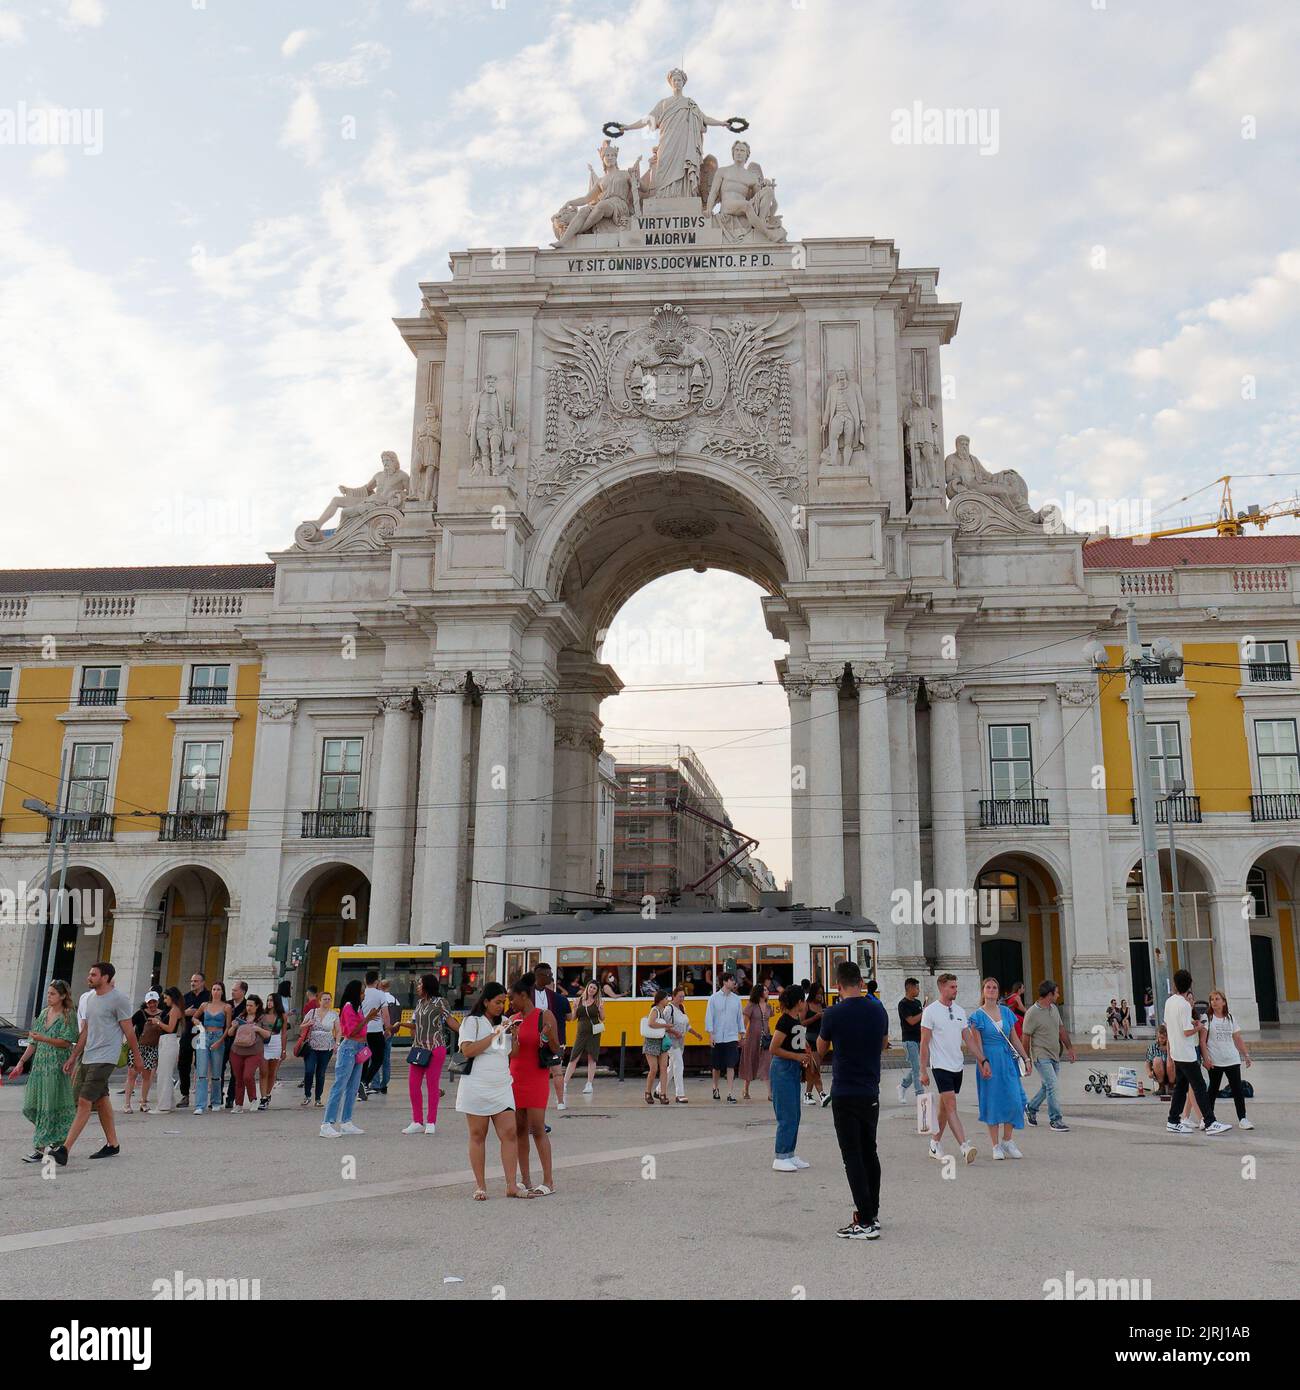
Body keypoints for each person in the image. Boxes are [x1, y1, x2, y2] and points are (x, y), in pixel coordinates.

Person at [817, 960, 889, 1239]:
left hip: (845, 1091)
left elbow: (821, 1048)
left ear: (838, 985)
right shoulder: (878, 1010)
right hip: (871, 1090)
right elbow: (883, 1043)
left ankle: (865, 1221)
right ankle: (874, 1211)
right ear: (861, 982)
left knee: (852, 1156)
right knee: (870, 1151)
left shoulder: (833, 1014)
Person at [50, 961, 145, 1166]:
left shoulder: (119, 999)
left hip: (106, 1057)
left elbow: (129, 1031)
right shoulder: (90, 999)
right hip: (88, 1056)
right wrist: (74, 1056)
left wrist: (137, 1058)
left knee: (84, 1101)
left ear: (106, 977)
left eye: (94, 974)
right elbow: (85, 1031)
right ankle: (112, 1144)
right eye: (89, 973)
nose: (89, 977)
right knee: (100, 1100)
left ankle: (64, 1149)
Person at [455, 983, 527, 1200]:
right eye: (497, 1002)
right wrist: (494, 1035)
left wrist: (513, 1035)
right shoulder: (471, 1021)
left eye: (503, 1002)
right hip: (477, 1084)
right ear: (485, 1001)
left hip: (501, 1084)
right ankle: (480, 1185)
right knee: (478, 1135)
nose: (501, 1006)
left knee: (509, 1133)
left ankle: (511, 1185)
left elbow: (512, 1053)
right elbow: (467, 1050)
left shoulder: (504, 1022)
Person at [966, 977, 1032, 1160]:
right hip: (989, 1060)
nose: (992, 990)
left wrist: (1026, 1058)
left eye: (995, 987)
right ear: (983, 991)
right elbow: (977, 1045)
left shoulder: (1006, 1012)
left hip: (1006, 1060)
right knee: (993, 1101)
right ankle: (995, 1145)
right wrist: (983, 1063)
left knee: (1015, 1099)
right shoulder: (977, 1016)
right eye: (988, 987)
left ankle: (1007, 1140)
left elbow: (1014, 1039)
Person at [12, 980, 78, 1162]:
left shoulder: (68, 1015)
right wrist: (21, 1062)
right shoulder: (43, 1014)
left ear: (63, 996)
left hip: (56, 1066)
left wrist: (44, 1038)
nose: (49, 997)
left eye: (53, 994)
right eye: (48, 993)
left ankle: (41, 1147)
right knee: (32, 1106)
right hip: (40, 1066)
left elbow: (67, 1041)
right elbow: (33, 1041)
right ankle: (51, 1140)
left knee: (49, 1106)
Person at [507, 974, 560, 1194]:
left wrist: (546, 1037)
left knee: (537, 1127)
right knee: (519, 1128)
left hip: (536, 1076)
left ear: (524, 996)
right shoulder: (513, 1019)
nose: (510, 1003)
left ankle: (548, 1181)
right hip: (515, 1077)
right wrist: (512, 1036)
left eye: (513, 998)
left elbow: (556, 1049)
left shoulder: (544, 1015)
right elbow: (510, 1053)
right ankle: (525, 1178)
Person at [1164, 969, 1231, 1136]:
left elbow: (1172, 1023)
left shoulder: (1170, 1002)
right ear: (1189, 985)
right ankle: (1210, 1122)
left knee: (1181, 1086)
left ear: (1174, 985)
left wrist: (1191, 1021)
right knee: (1199, 1086)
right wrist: (1199, 1026)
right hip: (1186, 1053)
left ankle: (1173, 1121)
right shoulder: (1185, 1005)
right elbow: (1187, 1031)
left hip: (1176, 1052)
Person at [920, 973, 977, 1164]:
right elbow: (924, 1043)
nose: (955, 990)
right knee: (951, 1104)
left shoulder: (960, 1011)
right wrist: (922, 1070)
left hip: (957, 1065)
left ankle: (934, 1144)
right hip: (940, 1066)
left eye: (956, 986)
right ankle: (964, 1146)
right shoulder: (930, 1012)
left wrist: (982, 1059)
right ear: (942, 988)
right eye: (952, 987)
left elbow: (968, 1038)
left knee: (944, 1108)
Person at [321, 980, 381, 1137]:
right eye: (361, 992)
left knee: (353, 1088)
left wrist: (367, 1018)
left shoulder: (357, 1008)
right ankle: (327, 1123)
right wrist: (368, 1019)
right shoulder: (348, 1007)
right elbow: (352, 1031)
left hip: (359, 1048)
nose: (363, 996)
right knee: (339, 1086)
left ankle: (346, 1121)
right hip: (349, 1048)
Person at [404, 973, 458, 1134]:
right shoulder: (419, 1003)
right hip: (419, 1049)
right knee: (413, 1085)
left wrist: (466, 1033)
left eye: (420, 984)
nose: (418, 987)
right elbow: (414, 1026)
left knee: (432, 1085)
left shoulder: (440, 1002)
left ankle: (431, 1121)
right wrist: (401, 1025)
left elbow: (451, 1021)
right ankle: (417, 1120)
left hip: (435, 1047)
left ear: (427, 985)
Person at [1022, 979, 1076, 1132]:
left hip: (1054, 1054)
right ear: (1049, 994)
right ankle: (1055, 1120)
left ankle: (1031, 1108)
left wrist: (1070, 1048)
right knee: (1053, 1085)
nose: (1058, 995)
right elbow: (1025, 1037)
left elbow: (1061, 1030)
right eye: (1056, 992)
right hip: (1041, 1055)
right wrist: (1026, 1059)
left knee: (1047, 1087)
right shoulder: (1032, 1013)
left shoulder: (1053, 1009)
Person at [770, 985, 812, 1172]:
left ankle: (789, 1153)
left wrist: (804, 1051)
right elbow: (774, 1048)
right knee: (786, 1115)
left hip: (793, 1069)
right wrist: (797, 1057)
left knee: (794, 1114)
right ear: (798, 1002)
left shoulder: (795, 1020)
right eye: (803, 1000)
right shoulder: (784, 1021)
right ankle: (780, 1156)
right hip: (782, 1068)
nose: (805, 1003)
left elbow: (795, 1043)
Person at [1205, 991, 1254, 1129]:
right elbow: (1203, 1040)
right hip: (1215, 1060)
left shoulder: (1230, 1018)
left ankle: (1243, 1118)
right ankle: (1207, 1118)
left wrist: (1246, 1055)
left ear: (1224, 1002)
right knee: (1213, 1090)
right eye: (1212, 999)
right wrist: (1206, 1058)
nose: (1214, 1002)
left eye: (1217, 999)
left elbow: (1237, 1038)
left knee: (1237, 1089)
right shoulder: (1207, 1018)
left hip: (1232, 1059)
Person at [533, 963, 570, 1110]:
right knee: (557, 1072)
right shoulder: (561, 999)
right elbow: (569, 1017)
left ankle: (536, 1101)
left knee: (537, 1073)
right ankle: (560, 1101)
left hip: (536, 1040)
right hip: (558, 1040)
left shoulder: (531, 997)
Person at [705, 971, 746, 1103]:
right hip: (717, 1036)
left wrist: (742, 1033)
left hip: (731, 1036)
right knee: (716, 1066)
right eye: (731, 980)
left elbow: (740, 1018)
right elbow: (709, 1017)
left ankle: (730, 1092)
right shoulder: (713, 998)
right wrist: (711, 1034)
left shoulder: (736, 999)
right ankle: (715, 1087)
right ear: (724, 982)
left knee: (731, 1065)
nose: (734, 982)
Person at [562, 981, 605, 1099]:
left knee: (592, 1058)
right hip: (581, 1033)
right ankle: (564, 1084)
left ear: (597, 991)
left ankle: (589, 1084)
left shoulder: (597, 1002)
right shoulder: (579, 1000)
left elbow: (602, 1018)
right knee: (574, 1057)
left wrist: (601, 1009)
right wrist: (574, 1008)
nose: (592, 989)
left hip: (594, 1033)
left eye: (594, 988)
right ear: (587, 988)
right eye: (591, 987)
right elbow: (573, 1018)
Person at [226, 995, 268, 1113]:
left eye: (251, 1005)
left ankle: (253, 1099)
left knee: (248, 1076)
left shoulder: (262, 1018)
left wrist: (258, 1029)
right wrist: (233, 1027)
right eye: (247, 1005)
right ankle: (238, 1104)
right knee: (238, 1078)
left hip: (254, 1051)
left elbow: (268, 1034)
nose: (248, 1007)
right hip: (237, 1050)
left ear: (257, 1006)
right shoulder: (241, 1016)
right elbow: (229, 1033)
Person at [193, 982, 231, 1114]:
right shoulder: (205, 1005)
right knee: (201, 1072)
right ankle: (200, 1105)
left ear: (222, 992)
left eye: (218, 989)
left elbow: (228, 1027)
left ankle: (215, 1101)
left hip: (218, 1036)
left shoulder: (226, 1007)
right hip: (204, 1035)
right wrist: (197, 1023)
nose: (215, 991)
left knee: (216, 1072)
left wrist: (221, 1041)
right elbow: (194, 1017)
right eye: (214, 989)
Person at [298, 989, 338, 1108]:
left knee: (321, 1073)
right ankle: (307, 1095)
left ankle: (318, 1098)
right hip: (311, 1046)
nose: (327, 1001)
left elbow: (338, 1029)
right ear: (319, 1001)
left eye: (329, 999)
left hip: (327, 1047)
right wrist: (308, 1024)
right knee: (309, 1070)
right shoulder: (312, 1012)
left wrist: (337, 1043)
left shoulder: (334, 1014)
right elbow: (301, 1026)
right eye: (324, 999)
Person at [663, 984, 702, 1103]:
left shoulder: (682, 1008)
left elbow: (687, 1025)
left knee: (671, 1068)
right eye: (680, 996)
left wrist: (696, 1034)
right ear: (673, 996)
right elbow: (664, 1025)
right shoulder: (669, 1009)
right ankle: (679, 1094)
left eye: (683, 996)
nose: (682, 999)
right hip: (671, 1041)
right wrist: (675, 1032)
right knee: (679, 1066)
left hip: (680, 1042)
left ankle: (659, 1090)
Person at [178, 971, 210, 1108]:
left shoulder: (208, 997)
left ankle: (200, 1095)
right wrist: (185, 1013)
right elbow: (176, 1015)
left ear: (203, 983)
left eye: (196, 981)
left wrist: (197, 1012)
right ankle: (185, 1095)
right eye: (192, 981)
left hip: (202, 1033)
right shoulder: (185, 998)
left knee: (200, 1064)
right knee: (183, 1064)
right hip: (187, 1033)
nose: (193, 983)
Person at [153, 987, 185, 1114]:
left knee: (164, 1075)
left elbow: (171, 1028)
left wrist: (158, 1023)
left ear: (172, 997)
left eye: (166, 997)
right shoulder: (172, 1010)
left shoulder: (175, 1010)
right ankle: (169, 1102)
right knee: (163, 1073)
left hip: (169, 1040)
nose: (164, 1000)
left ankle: (164, 1105)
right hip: (165, 1041)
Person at [738, 985, 772, 1102]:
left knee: (767, 1063)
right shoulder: (751, 1006)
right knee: (750, 1062)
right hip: (752, 1038)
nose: (767, 991)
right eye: (765, 990)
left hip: (765, 1039)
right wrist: (742, 1037)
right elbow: (744, 1022)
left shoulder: (768, 1007)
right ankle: (745, 1089)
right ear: (759, 992)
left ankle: (770, 1093)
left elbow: (768, 1023)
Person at [130, 993, 162, 1112]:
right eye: (150, 1002)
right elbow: (129, 1026)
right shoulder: (140, 1013)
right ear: (146, 1002)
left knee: (147, 1075)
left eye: (154, 1002)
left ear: (158, 1001)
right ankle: (127, 1104)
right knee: (132, 1074)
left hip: (153, 1047)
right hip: (138, 1046)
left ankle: (143, 1101)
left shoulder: (162, 1014)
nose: (152, 1004)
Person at [359, 969, 389, 1095]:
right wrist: (388, 1028)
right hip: (376, 1031)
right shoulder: (380, 994)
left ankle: (360, 1083)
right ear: (377, 982)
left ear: (365, 981)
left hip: (363, 1031)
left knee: (364, 1058)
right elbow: (385, 1014)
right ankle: (365, 1082)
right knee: (378, 1059)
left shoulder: (360, 994)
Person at [895, 978, 925, 1105]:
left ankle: (902, 1086)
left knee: (916, 1067)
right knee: (917, 1068)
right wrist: (924, 1013)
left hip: (920, 1038)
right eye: (916, 988)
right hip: (909, 1040)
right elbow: (911, 1021)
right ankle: (920, 1095)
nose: (918, 990)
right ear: (910, 988)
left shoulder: (918, 1002)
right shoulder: (903, 1004)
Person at [802, 981, 831, 1106]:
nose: (820, 996)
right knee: (814, 1067)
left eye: (821, 994)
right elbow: (802, 1022)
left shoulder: (823, 1005)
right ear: (813, 993)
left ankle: (808, 1094)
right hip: (811, 1039)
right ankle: (822, 1094)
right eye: (818, 994)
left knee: (814, 1068)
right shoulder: (806, 1005)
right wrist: (816, 1017)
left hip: (822, 1039)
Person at [641, 990, 673, 1106]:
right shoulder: (654, 1010)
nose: (667, 1000)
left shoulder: (663, 1011)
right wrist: (665, 1025)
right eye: (666, 998)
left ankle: (663, 1094)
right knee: (653, 1069)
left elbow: (661, 1027)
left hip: (662, 1042)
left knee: (664, 1068)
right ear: (661, 1000)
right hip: (651, 1042)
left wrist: (671, 1030)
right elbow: (650, 1023)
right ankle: (647, 1092)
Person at [221, 981, 249, 1111]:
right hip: (224, 1039)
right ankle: (218, 1095)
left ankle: (230, 1098)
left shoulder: (247, 1006)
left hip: (238, 1041)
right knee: (219, 1068)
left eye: (235, 990)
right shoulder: (227, 1004)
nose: (232, 992)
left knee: (235, 1071)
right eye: (232, 990)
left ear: (243, 992)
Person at [257, 993, 286, 1110]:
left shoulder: (281, 1016)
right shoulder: (262, 1015)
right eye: (268, 1000)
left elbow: (284, 1033)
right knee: (263, 1071)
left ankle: (268, 1093)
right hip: (264, 1042)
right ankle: (263, 1098)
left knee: (272, 1072)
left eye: (272, 1001)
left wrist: (283, 1050)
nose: (269, 1003)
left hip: (276, 1042)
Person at [373, 977, 399, 1094]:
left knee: (375, 1057)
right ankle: (384, 1084)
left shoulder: (379, 998)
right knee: (386, 1058)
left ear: (379, 986)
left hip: (379, 1031)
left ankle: (375, 1083)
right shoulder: (394, 999)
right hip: (390, 1032)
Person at [1146, 1024, 1173, 1097]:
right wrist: (1149, 1072)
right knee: (1157, 1060)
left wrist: (1168, 1048)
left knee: (1171, 1060)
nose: (1160, 1039)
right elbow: (1148, 1062)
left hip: (1173, 1073)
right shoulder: (1152, 1047)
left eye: (1163, 1038)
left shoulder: (1173, 1046)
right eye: (1159, 1037)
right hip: (1158, 1073)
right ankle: (1161, 1087)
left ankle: (1171, 1086)